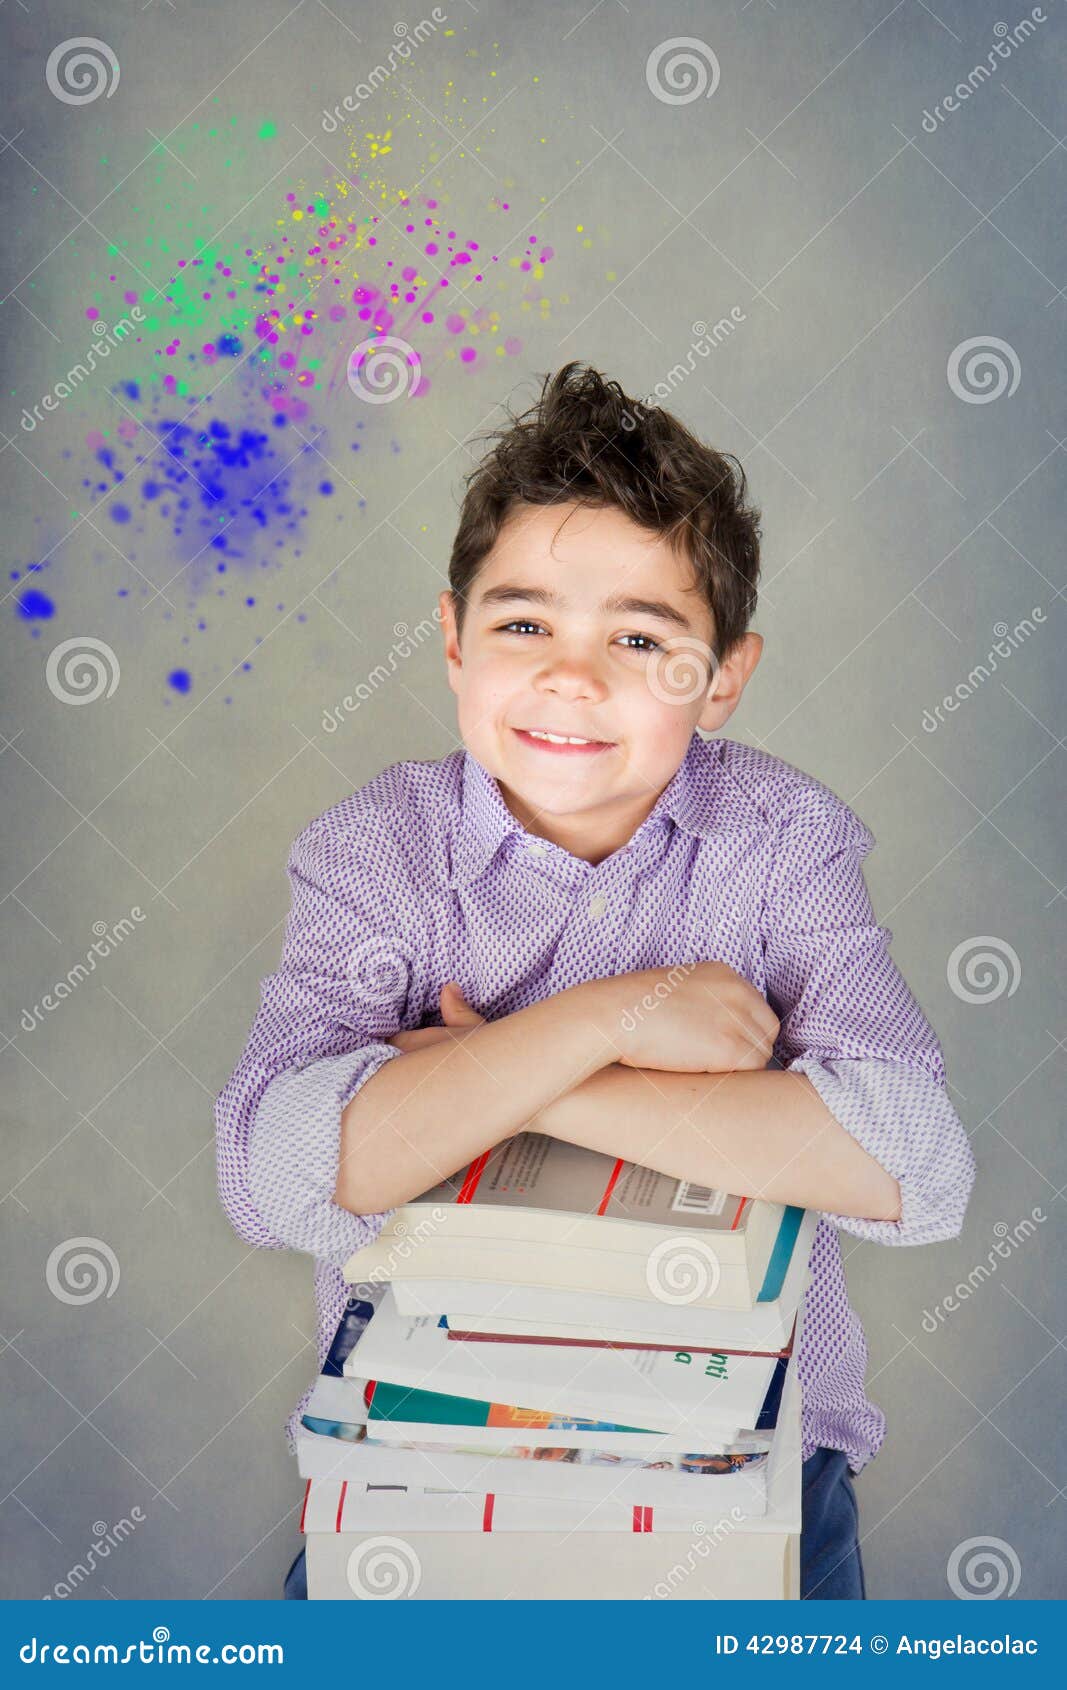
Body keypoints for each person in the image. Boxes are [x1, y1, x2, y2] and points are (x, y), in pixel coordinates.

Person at [215, 363, 976, 1602]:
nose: (572, 678)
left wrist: (516, 1074)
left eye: (638, 637)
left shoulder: (782, 842)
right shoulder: (377, 851)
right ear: (454, 642)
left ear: (721, 676)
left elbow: (912, 1167)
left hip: (748, 1490)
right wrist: (612, 1015)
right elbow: (282, 1176)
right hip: (429, 1484)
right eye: (523, 624)